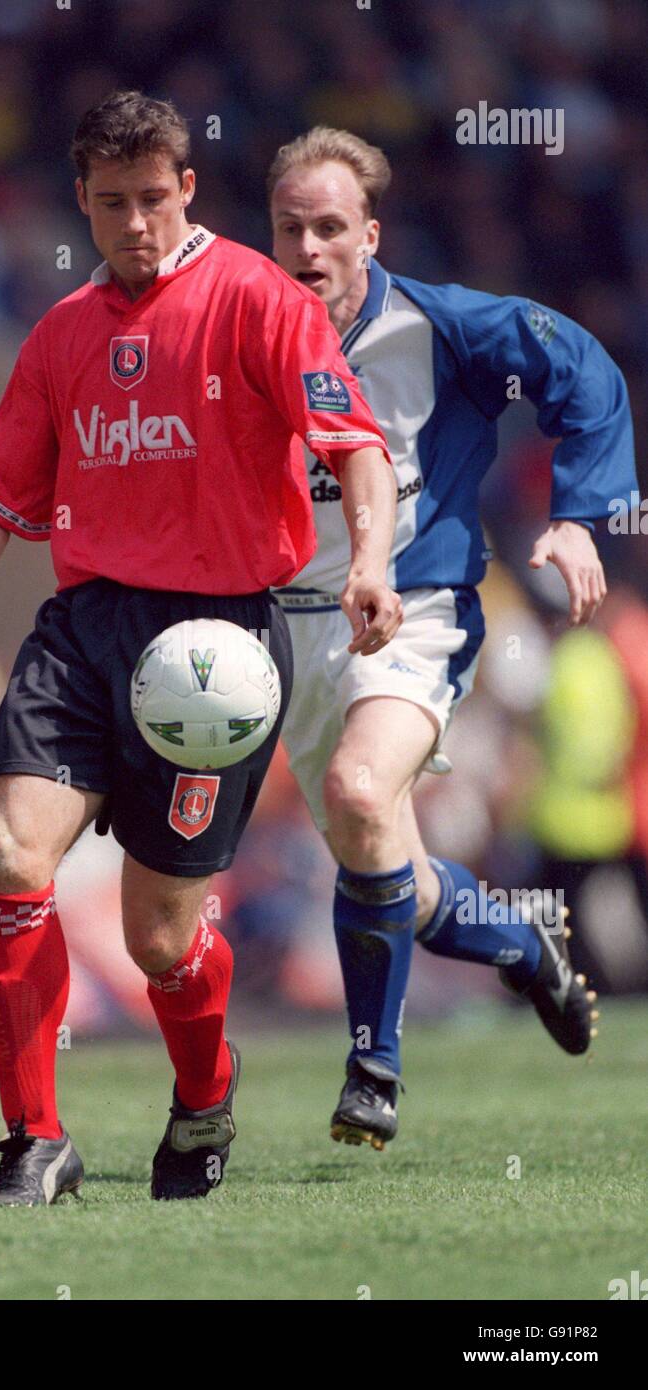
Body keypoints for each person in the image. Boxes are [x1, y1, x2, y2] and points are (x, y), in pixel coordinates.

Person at [0, 93, 400, 1203]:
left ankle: (203, 1092)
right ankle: (35, 1137)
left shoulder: (258, 299)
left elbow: (356, 449)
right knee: (8, 859)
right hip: (85, 630)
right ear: (82, 204)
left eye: (155, 198)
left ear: (186, 189)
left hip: (217, 650)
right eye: (112, 204)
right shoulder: (59, 334)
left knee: (159, 936)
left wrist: (369, 563)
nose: (136, 223)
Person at [267, 126, 637, 1150]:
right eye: (289, 227)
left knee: (357, 790)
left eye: (329, 226)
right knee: (380, 852)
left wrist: (574, 512)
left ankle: (371, 1069)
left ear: (368, 234)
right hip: (278, 634)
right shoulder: (235, 337)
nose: (308, 246)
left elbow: (584, 370)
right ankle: (519, 942)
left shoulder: (443, 324)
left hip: (413, 614)